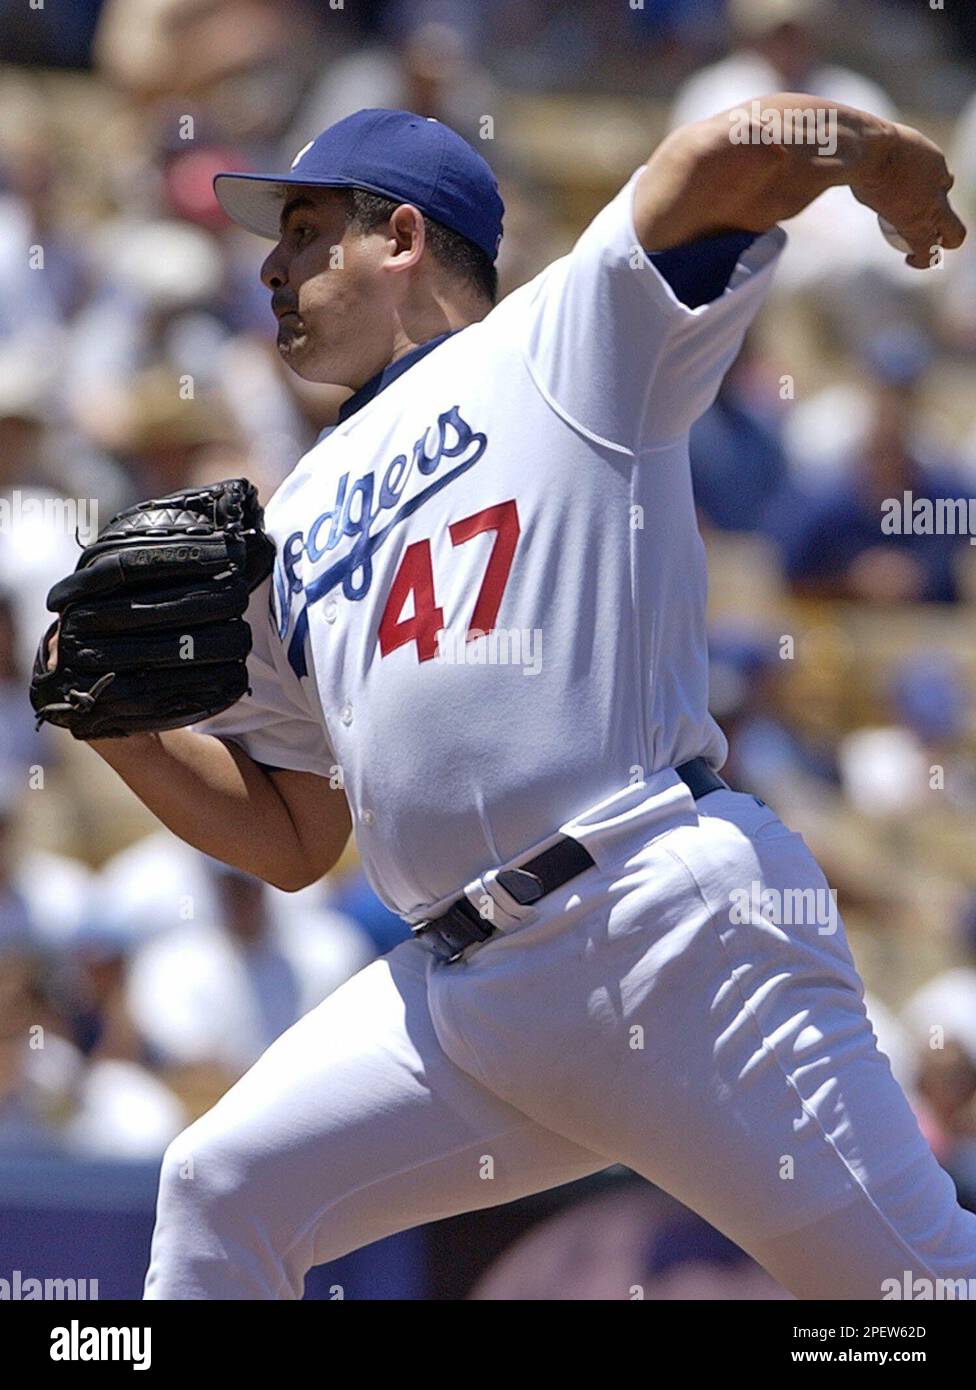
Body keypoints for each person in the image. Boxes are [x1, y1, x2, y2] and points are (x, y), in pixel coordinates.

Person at [52, 103, 975, 1299]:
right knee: (220, 1189)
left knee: (917, 1300)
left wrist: (888, 165)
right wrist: (120, 729)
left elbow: (716, 152)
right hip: (471, 995)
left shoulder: (565, 339)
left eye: (302, 230)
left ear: (398, 235)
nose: (271, 267)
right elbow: (293, 838)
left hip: (664, 928)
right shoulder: (292, 510)